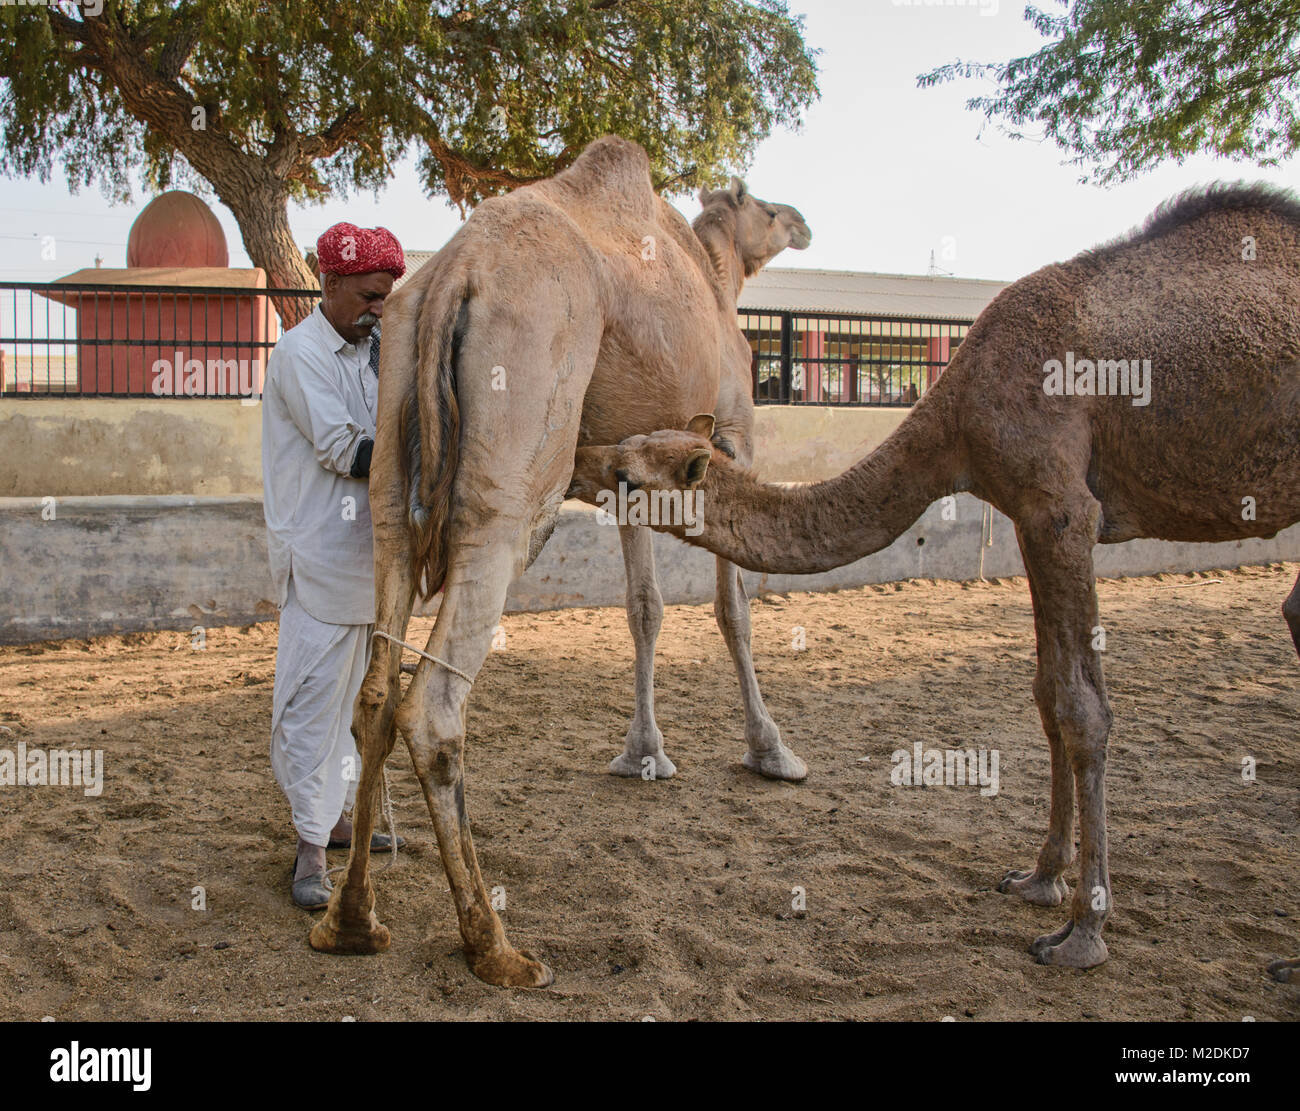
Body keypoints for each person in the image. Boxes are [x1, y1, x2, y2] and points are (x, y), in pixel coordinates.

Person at [261, 222, 407, 908]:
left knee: (359, 705)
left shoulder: (370, 352)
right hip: (319, 560)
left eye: (388, 297)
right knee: (311, 710)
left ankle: (339, 820)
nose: (381, 308)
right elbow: (344, 451)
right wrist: (426, 451)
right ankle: (310, 852)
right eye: (372, 296)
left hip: (368, 564)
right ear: (330, 283)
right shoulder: (299, 355)